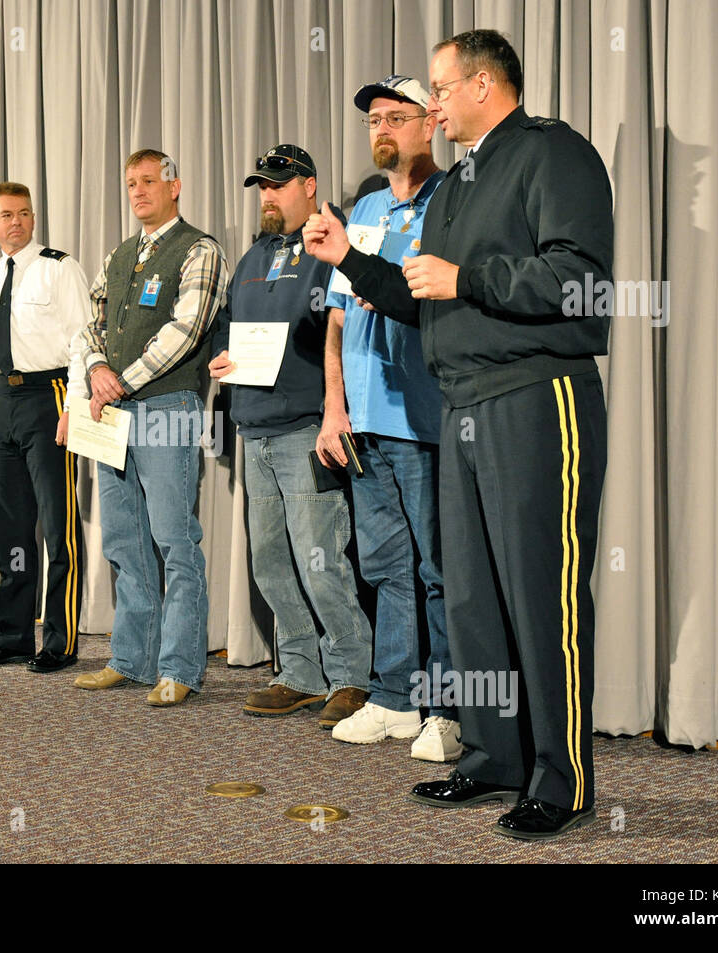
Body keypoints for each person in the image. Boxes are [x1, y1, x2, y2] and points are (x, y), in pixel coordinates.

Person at [303, 31, 612, 840]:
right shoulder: (455, 187)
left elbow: (584, 283)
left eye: (439, 87)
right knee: (474, 597)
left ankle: (563, 777)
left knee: (542, 593)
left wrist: (466, 278)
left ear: (483, 84)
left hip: (538, 395)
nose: (431, 104)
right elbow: (421, 300)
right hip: (461, 404)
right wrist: (351, 262)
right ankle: (493, 754)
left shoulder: (554, 155)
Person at [317, 76, 461, 761]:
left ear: (428, 123)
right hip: (366, 419)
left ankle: (448, 708)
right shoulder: (365, 205)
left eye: (395, 117)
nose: (382, 129)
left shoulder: (454, 200)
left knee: (440, 569)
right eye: (374, 118)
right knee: (384, 565)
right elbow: (339, 316)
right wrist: (334, 406)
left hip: (426, 415)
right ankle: (396, 696)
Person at [207, 144, 373, 730]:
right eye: (262, 185)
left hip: (307, 426)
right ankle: (300, 672)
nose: (268, 195)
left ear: (311, 185)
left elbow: (343, 329)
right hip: (254, 427)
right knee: (270, 561)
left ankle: (351, 674)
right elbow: (229, 329)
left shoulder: (331, 246)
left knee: (321, 558)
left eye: (279, 183)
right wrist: (223, 358)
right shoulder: (254, 255)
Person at [73, 149, 229, 707]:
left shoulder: (200, 250)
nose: (138, 192)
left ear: (174, 186)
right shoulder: (119, 256)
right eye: (131, 183)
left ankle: (180, 667)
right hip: (110, 412)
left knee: (173, 538)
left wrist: (122, 380)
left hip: (165, 408)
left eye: (148, 182)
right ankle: (132, 660)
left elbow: (186, 331)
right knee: (124, 539)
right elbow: (89, 323)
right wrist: (95, 371)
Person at [0, 182, 87, 674]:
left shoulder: (59, 268)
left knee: (58, 527)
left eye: (24, 214)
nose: (16, 222)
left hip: (49, 398)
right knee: (11, 527)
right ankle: (13, 635)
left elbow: (82, 340)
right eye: (6, 215)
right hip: (3, 402)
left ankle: (59, 640)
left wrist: (74, 404)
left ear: (34, 219)